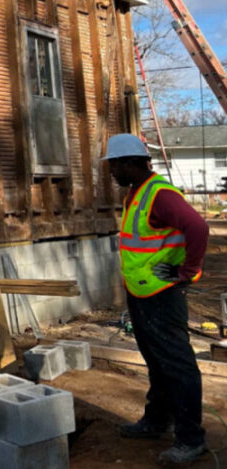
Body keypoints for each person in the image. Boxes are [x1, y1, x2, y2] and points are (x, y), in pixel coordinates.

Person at [105, 134, 210, 465]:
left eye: (113, 165)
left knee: (178, 365)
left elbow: (198, 228)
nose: (111, 172)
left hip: (162, 295)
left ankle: (191, 439)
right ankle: (157, 420)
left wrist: (188, 271)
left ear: (129, 163)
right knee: (156, 359)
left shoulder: (160, 194)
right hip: (143, 292)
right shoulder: (137, 193)